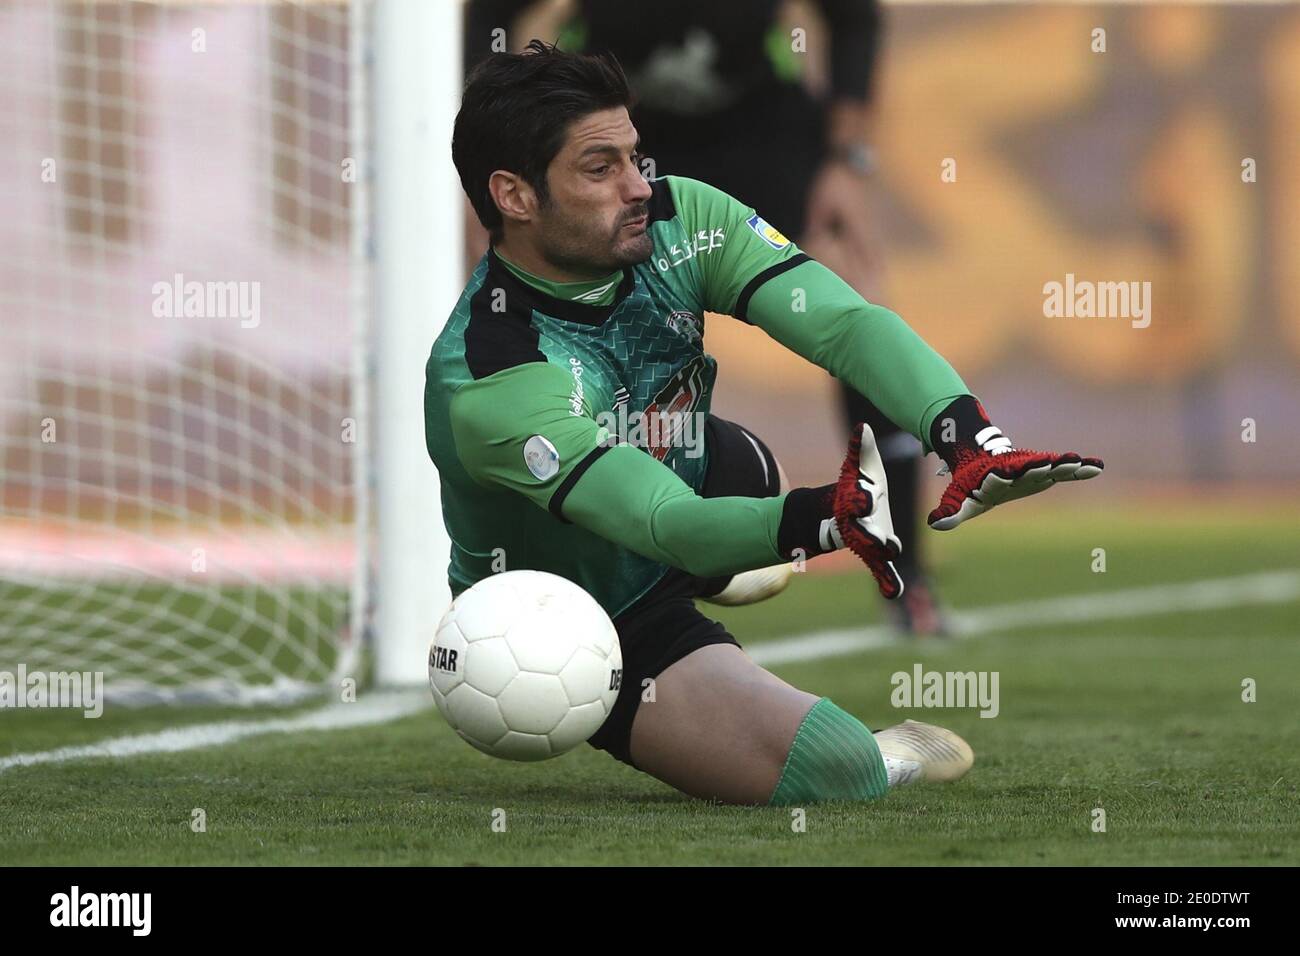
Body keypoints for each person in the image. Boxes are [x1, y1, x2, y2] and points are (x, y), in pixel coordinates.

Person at [425, 43, 1102, 805]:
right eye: (598, 168)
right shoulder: (493, 373)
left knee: (746, 474)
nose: (637, 185)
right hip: (574, 609)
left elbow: (844, 324)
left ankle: (741, 546)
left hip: (692, 474)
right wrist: (828, 518)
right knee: (837, 768)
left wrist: (971, 440)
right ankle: (870, 730)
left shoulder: (684, 218)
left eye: (634, 157)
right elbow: (665, 523)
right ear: (514, 196)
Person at [463, 0, 944, 633]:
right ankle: (523, 567)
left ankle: (906, 570)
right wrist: (489, 171)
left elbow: (853, 18)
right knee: (512, 311)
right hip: (621, 137)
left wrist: (846, 162)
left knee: (852, 292)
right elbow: (487, 16)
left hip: (760, 127)